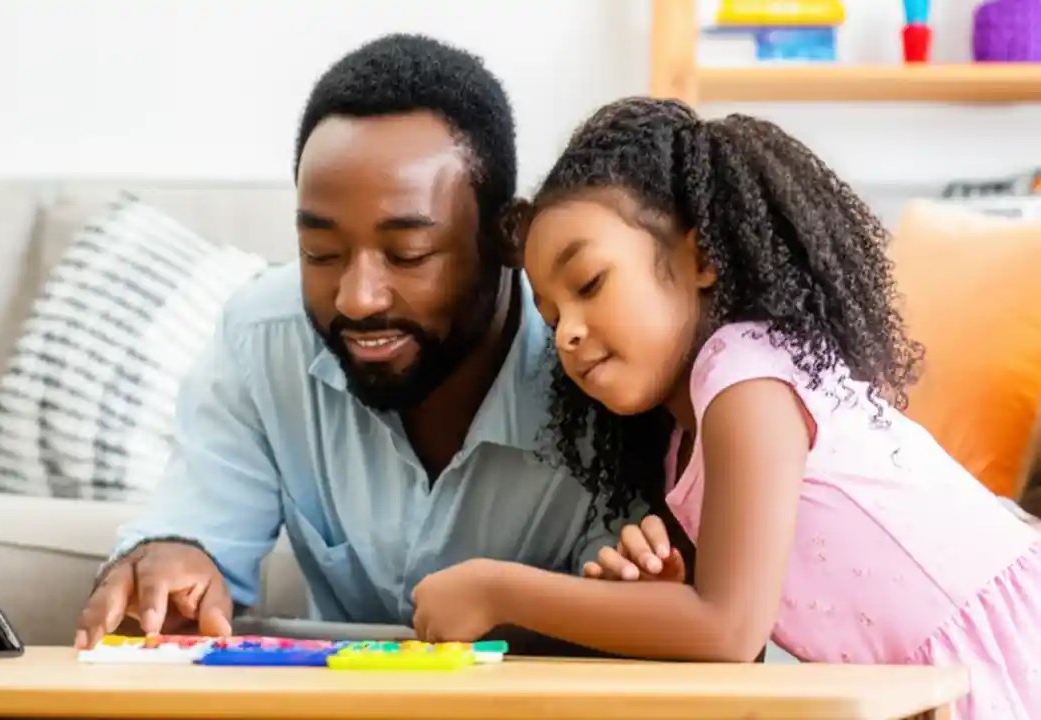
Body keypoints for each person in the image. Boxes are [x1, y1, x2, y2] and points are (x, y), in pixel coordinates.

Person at [409, 97, 1041, 718]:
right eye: (551, 317)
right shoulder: (682, 445)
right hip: (921, 693)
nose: (568, 332)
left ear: (702, 258)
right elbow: (743, 650)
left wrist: (498, 589)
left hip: (997, 667)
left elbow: (728, 629)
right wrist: (659, 606)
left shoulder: (746, 377)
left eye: (590, 284)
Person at [73, 34, 621, 650]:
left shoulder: (599, 358)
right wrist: (169, 567)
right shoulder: (263, 339)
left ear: (509, 237)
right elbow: (193, 534)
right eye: (321, 253)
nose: (358, 299)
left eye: (407, 254)